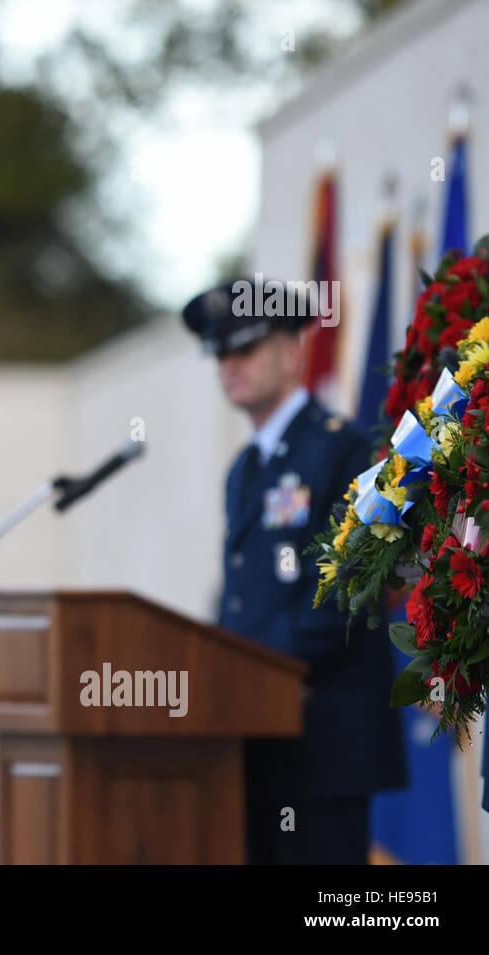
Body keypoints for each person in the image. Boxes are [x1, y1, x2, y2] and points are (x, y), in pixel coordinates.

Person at [183, 279, 406, 865]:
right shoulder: (245, 469)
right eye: (220, 353)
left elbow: (342, 596)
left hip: (323, 741)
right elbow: (243, 599)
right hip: (258, 734)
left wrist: (245, 669)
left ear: (292, 351)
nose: (229, 364)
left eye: (246, 348)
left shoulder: (345, 451)